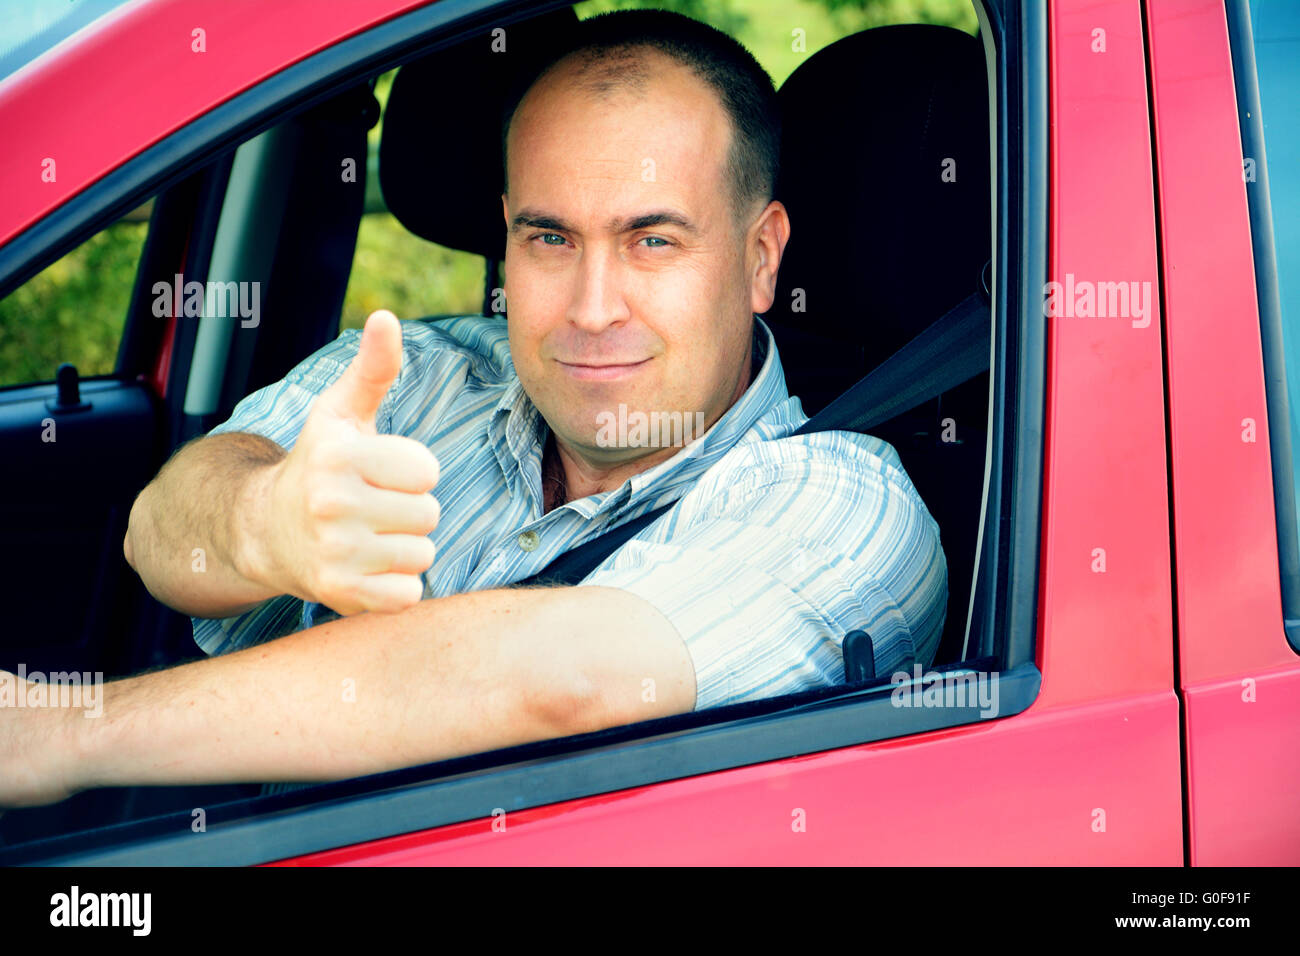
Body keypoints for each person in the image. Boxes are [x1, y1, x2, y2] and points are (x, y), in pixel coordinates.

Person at [0, 9, 946, 808]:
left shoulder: (841, 509)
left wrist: (66, 734)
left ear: (760, 257)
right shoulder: (418, 371)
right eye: (549, 237)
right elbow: (158, 530)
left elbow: (559, 679)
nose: (590, 306)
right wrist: (264, 520)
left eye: (652, 241)